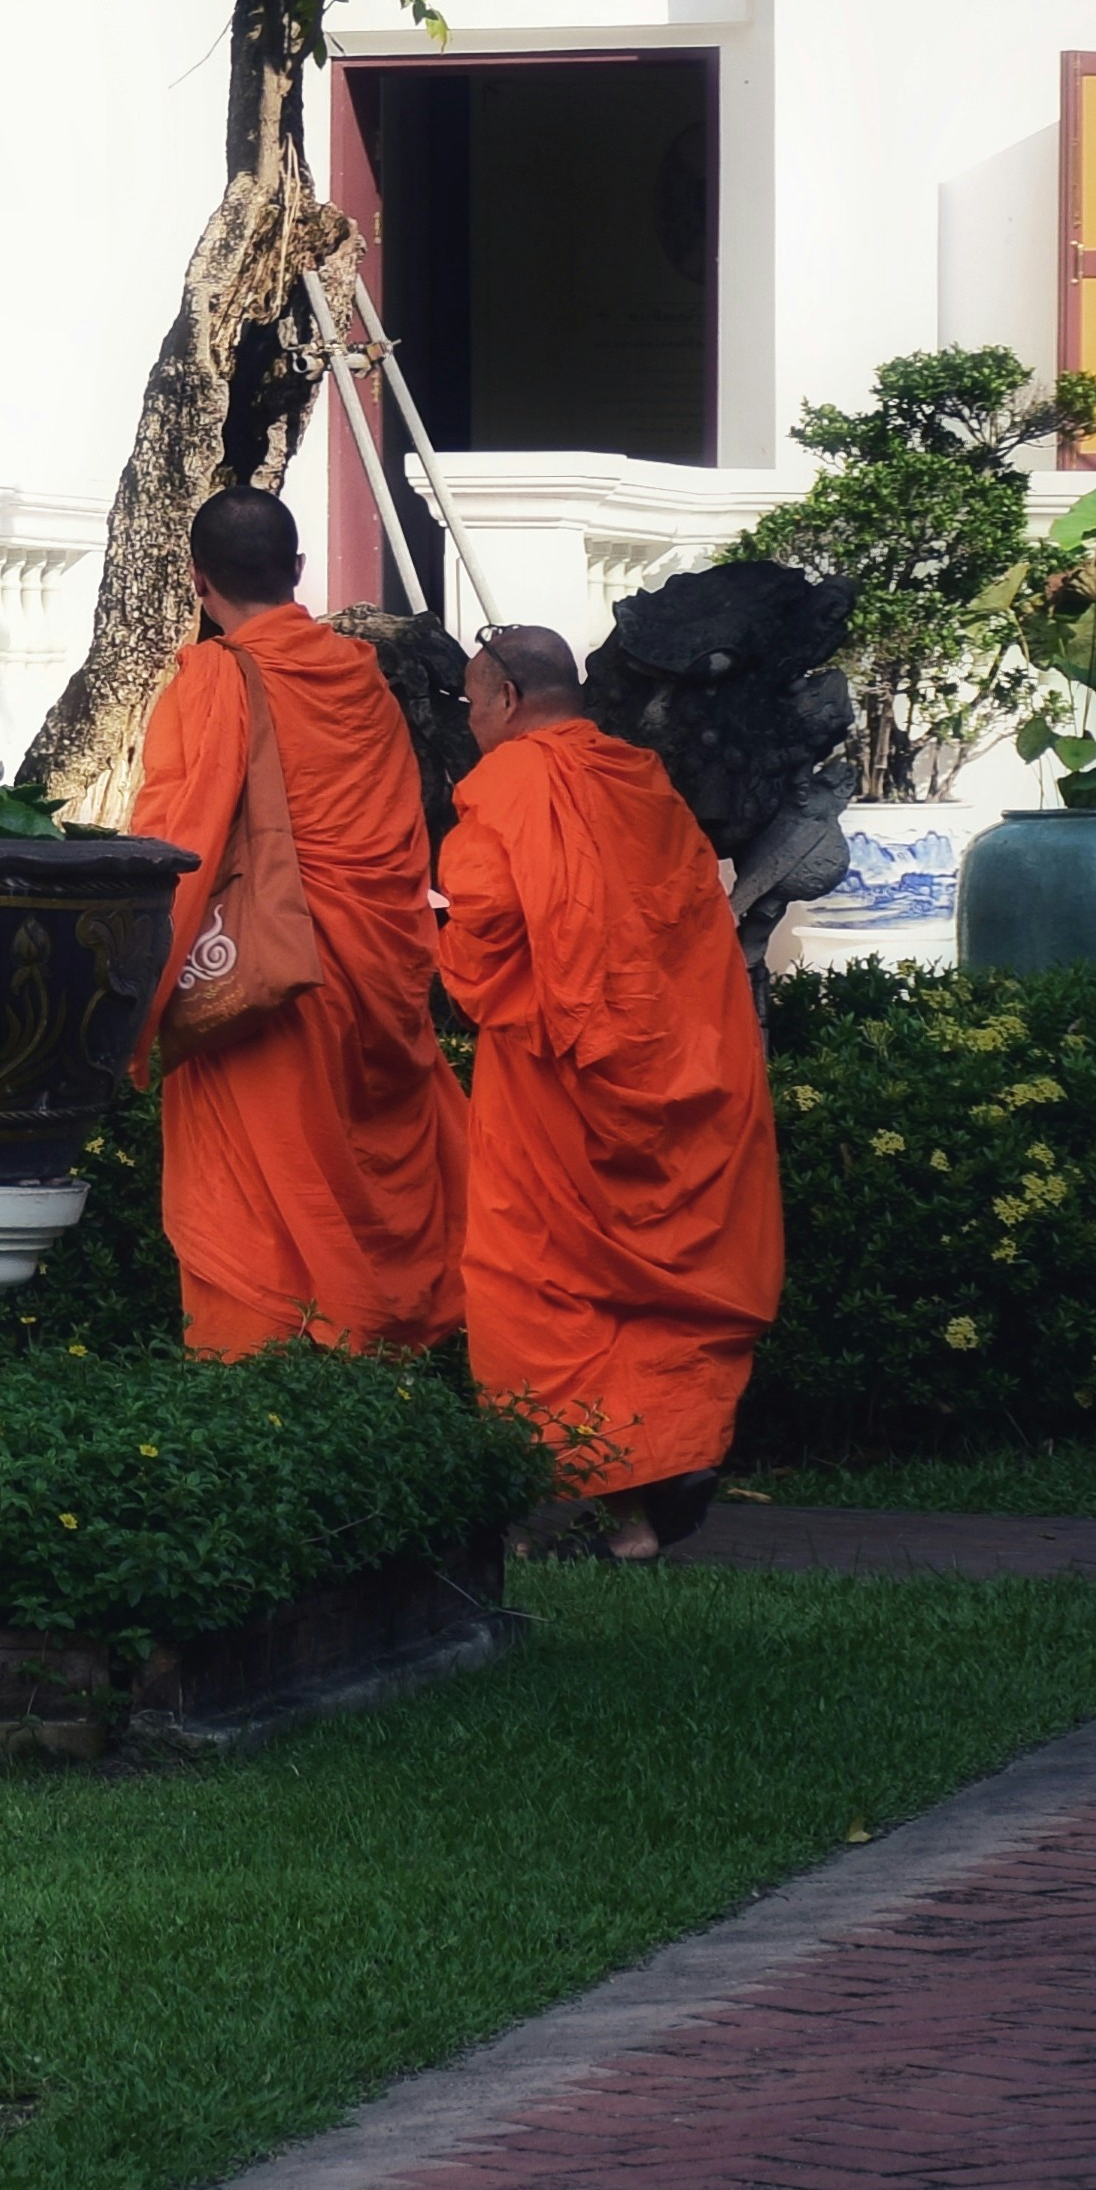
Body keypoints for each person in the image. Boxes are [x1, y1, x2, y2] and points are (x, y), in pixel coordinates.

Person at [439, 623, 784, 1560]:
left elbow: (488, 933)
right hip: (673, 1068)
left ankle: (530, 1508)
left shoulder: (512, 784)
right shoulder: (640, 780)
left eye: (471, 705)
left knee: (530, 1281)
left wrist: (438, 939)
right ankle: (641, 1511)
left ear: (505, 699)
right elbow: (684, 927)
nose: (469, 724)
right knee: (654, 1295)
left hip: (557, 1085)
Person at [122, 485, 469, 1355]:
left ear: (196, 580)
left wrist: (130, 984)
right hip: (370, 971)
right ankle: (378, 1386)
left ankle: (262, 1399)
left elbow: (175, 842)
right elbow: (399, 846)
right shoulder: (363, 679)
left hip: (264, 984)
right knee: (357, 1173)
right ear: (299, 572)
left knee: (254, 1206)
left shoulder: (213, 678)